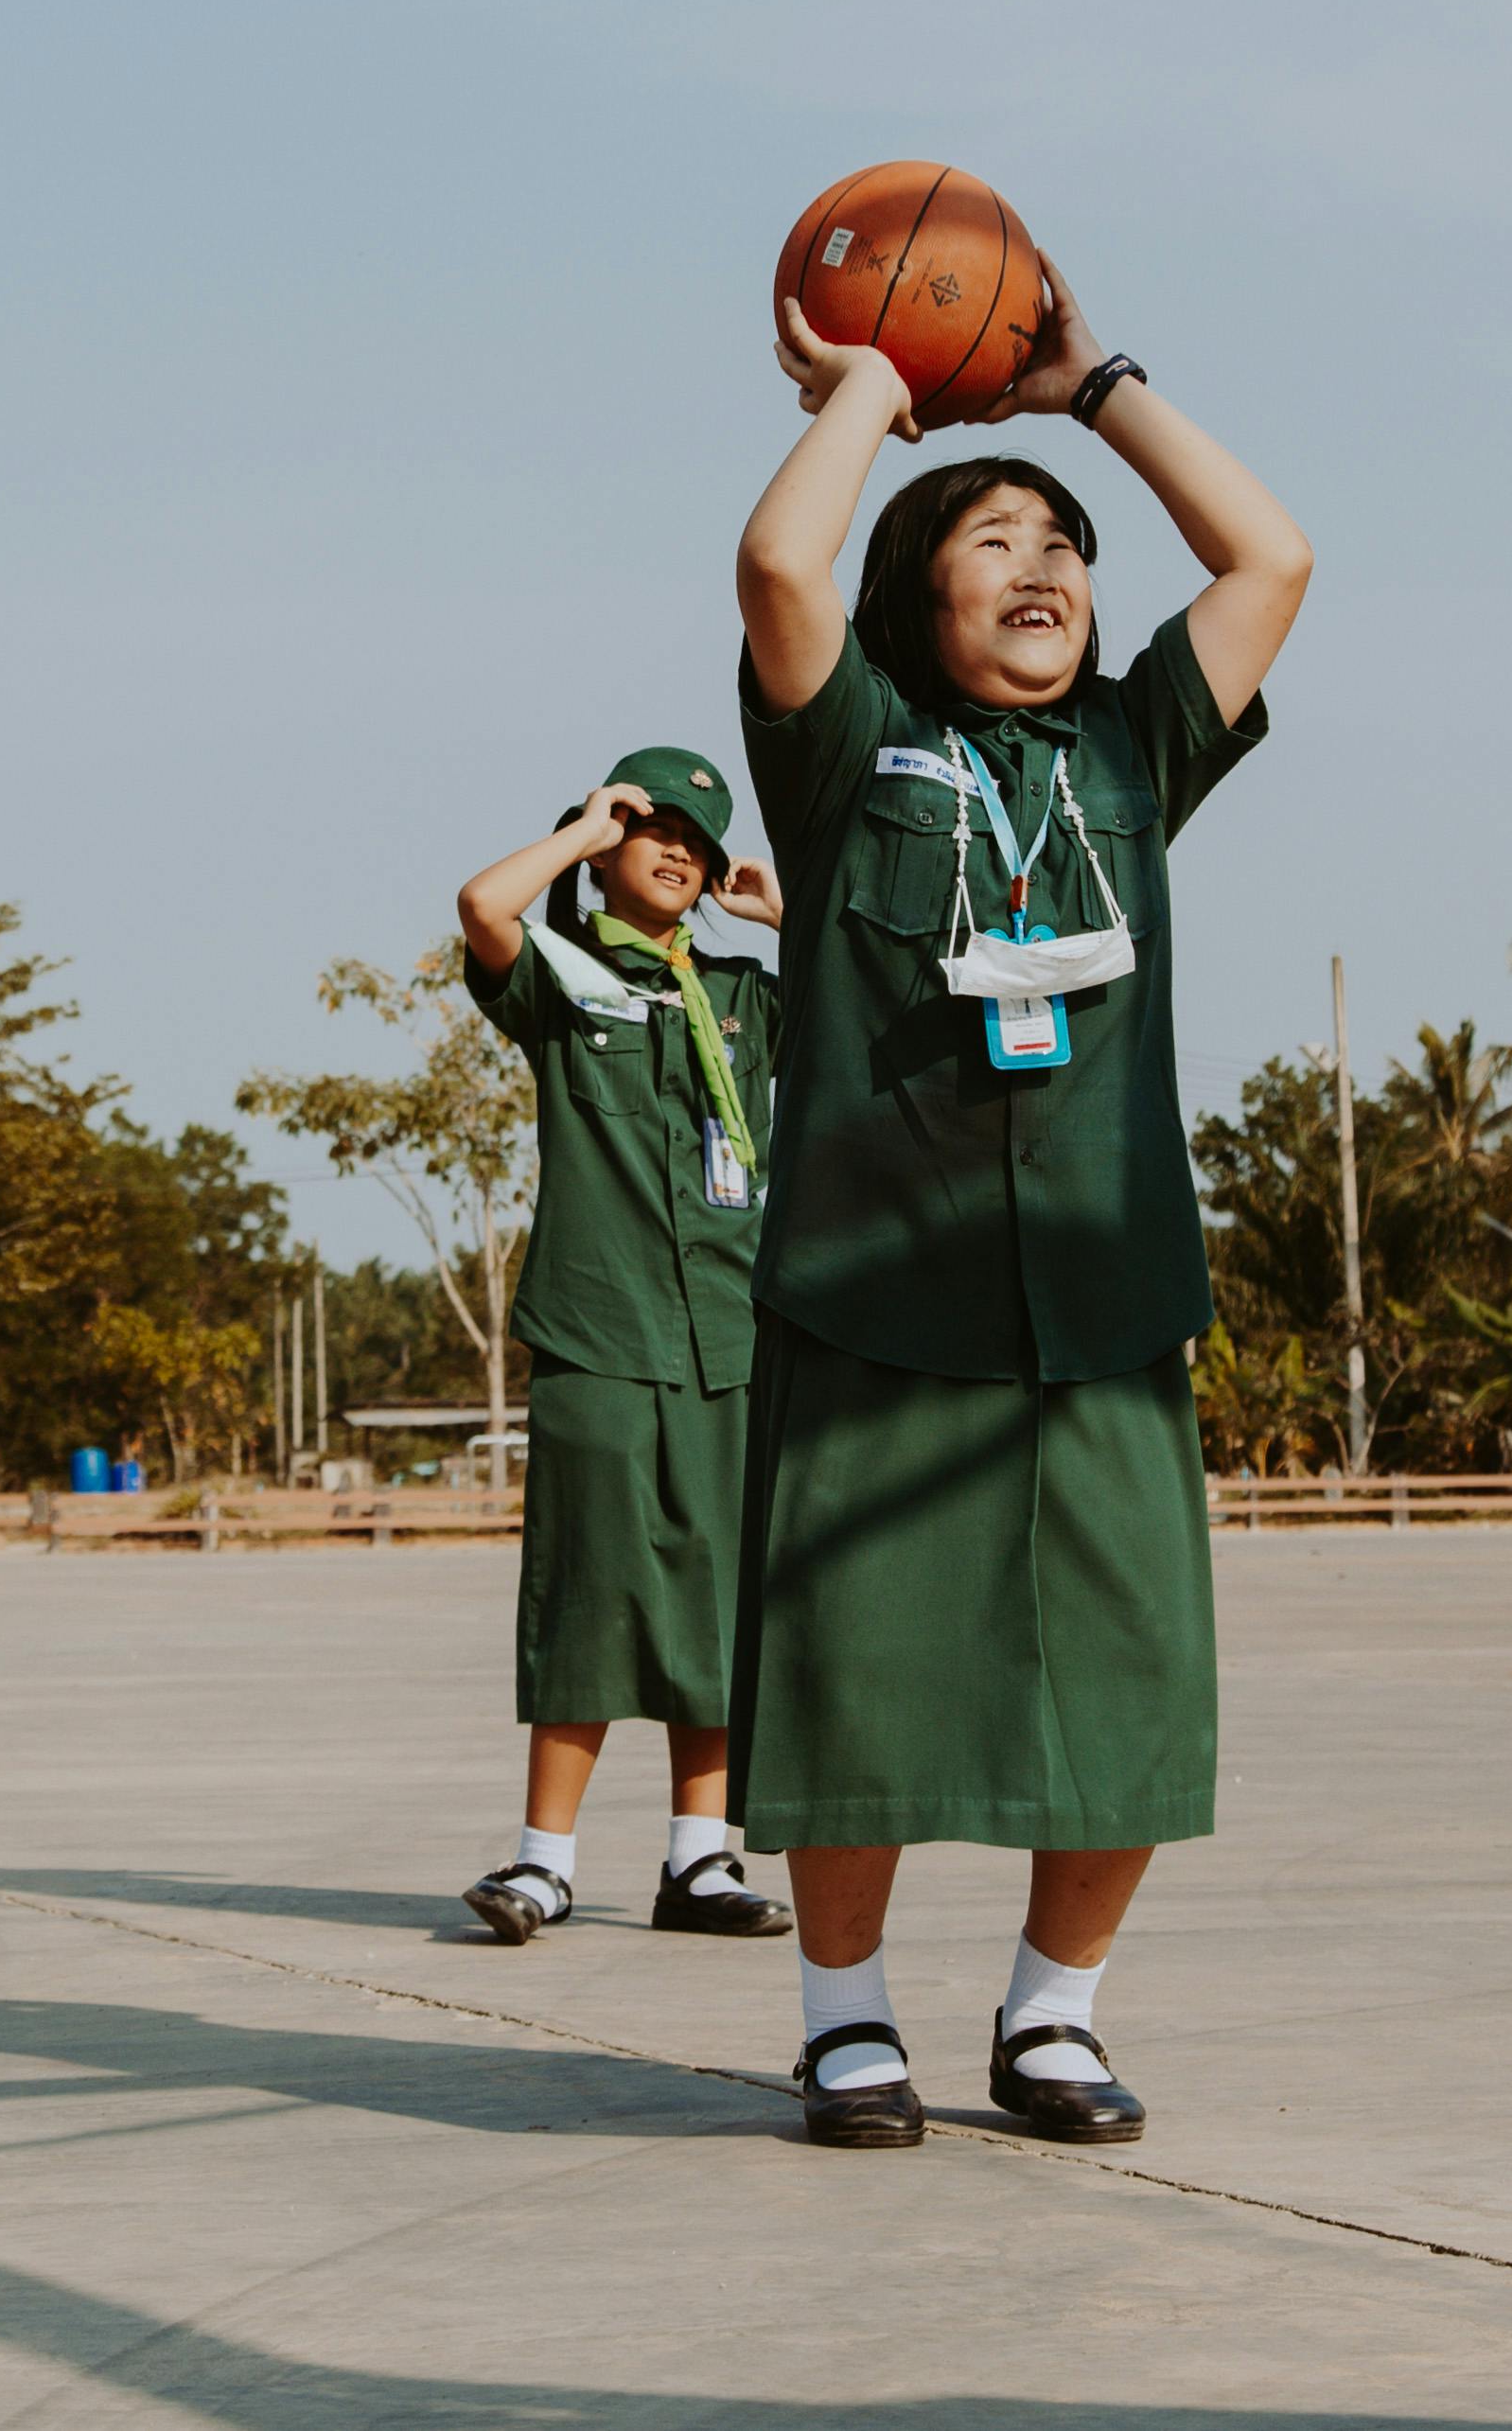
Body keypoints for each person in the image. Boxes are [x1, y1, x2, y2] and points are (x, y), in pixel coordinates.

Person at [730, 261, 1310, 2148]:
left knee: (1131, 1682)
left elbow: (1269, 561)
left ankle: (1052, 2016)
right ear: (924, 596)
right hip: (875, 1298)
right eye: (991, 540)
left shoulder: (1130, 756)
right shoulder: (847, 756)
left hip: (1105, 1302)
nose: (1041, 560)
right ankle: (842, 2020)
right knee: (855, 1675)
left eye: (1059, 543)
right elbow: (777, 576)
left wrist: (1086, 391)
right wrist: (868, 391)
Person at [446, 749, 797, 1949]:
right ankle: (544, 1864)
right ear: (601, 841)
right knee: (588, 1589)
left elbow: (879, 998)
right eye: (648, 826)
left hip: (730, 1333)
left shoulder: (747, 998)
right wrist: (582, 831)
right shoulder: (563, 974)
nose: (675, 848)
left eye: (695, 838)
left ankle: (700, 1860)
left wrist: (776, 907)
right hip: (599, 1323)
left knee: (718, 1599)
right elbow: (485, 907)